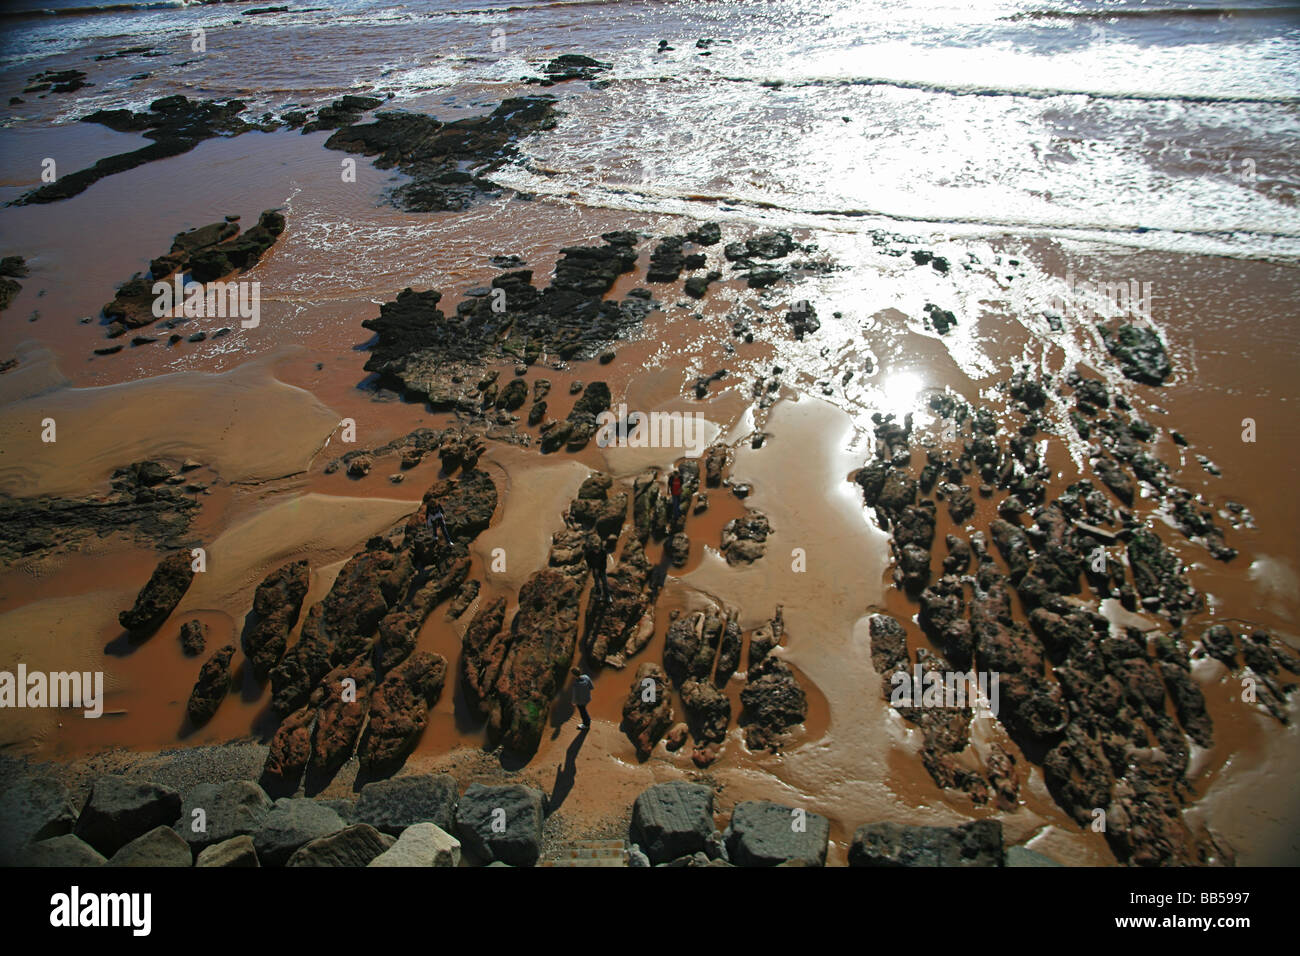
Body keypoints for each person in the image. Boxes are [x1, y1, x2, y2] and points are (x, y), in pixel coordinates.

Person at [584, 533, 611, 603]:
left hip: (602, 569)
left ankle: (607, 596)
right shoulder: (590, 554)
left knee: (605, 583)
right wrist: (593, 568)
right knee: (597, 583)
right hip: (595, 569)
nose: (597, 551)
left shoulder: (603, 552)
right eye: (595, 550)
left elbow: (604, 562)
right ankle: (599, 595)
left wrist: (600, 569)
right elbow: (588, 561)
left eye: (598, 550)